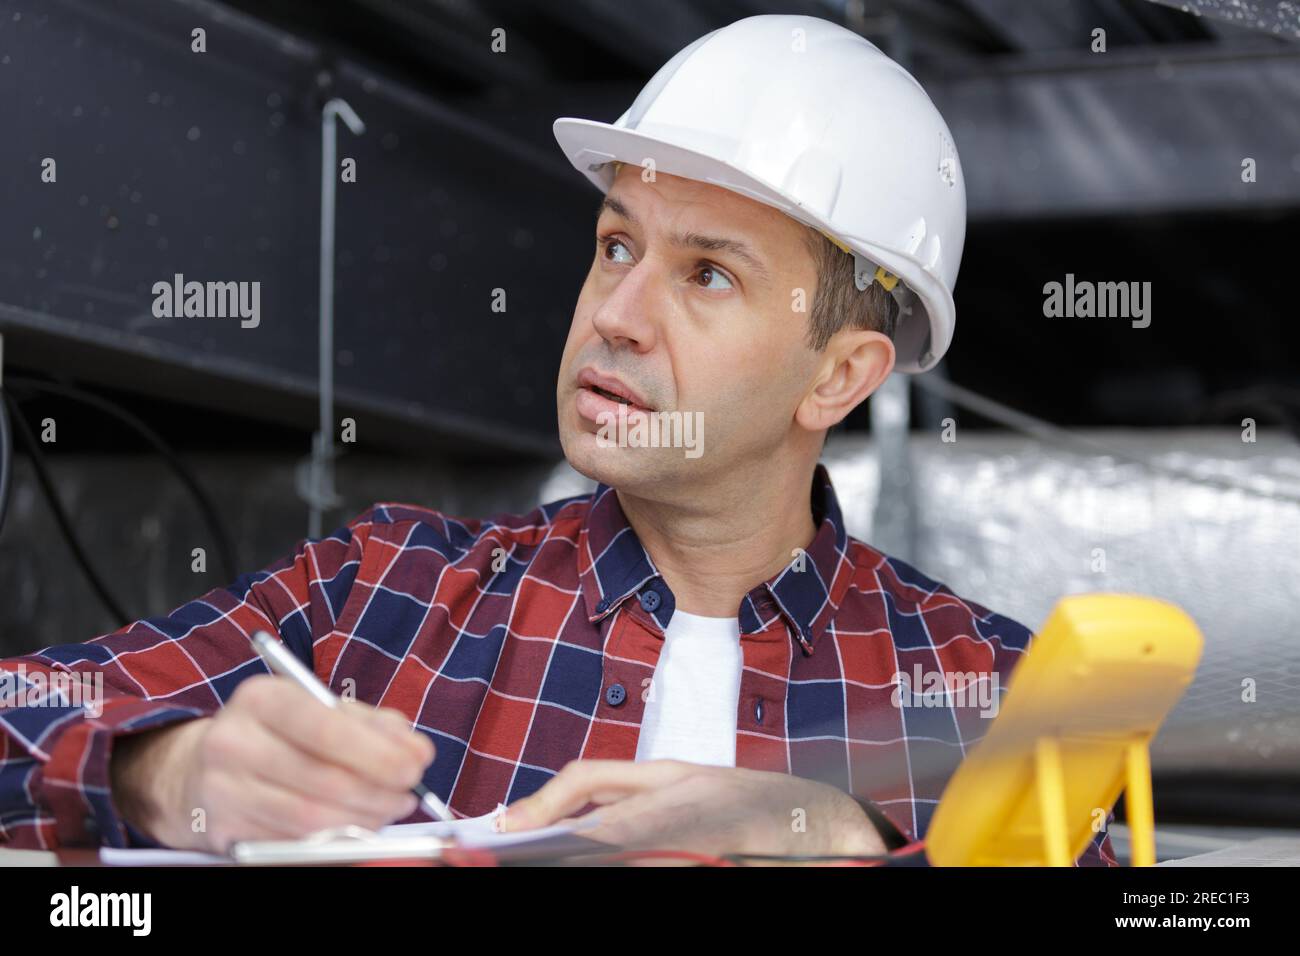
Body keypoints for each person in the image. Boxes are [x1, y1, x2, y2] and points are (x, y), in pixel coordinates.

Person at [0, 14, 1115, 864]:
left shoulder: (992, 691)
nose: (616, 313)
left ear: (838, 373)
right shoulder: (383, 597)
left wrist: (835, 834)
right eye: (617, 244)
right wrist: (164, 770)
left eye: (707, 273)